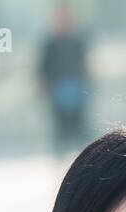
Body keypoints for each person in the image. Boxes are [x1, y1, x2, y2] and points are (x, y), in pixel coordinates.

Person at [38, 5, 90, 155]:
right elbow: (43, 68)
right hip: (58, 90)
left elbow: (84, 65)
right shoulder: (49, 44)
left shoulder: (78, 42)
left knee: (79, 126)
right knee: (60, 128)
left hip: (76, 88)